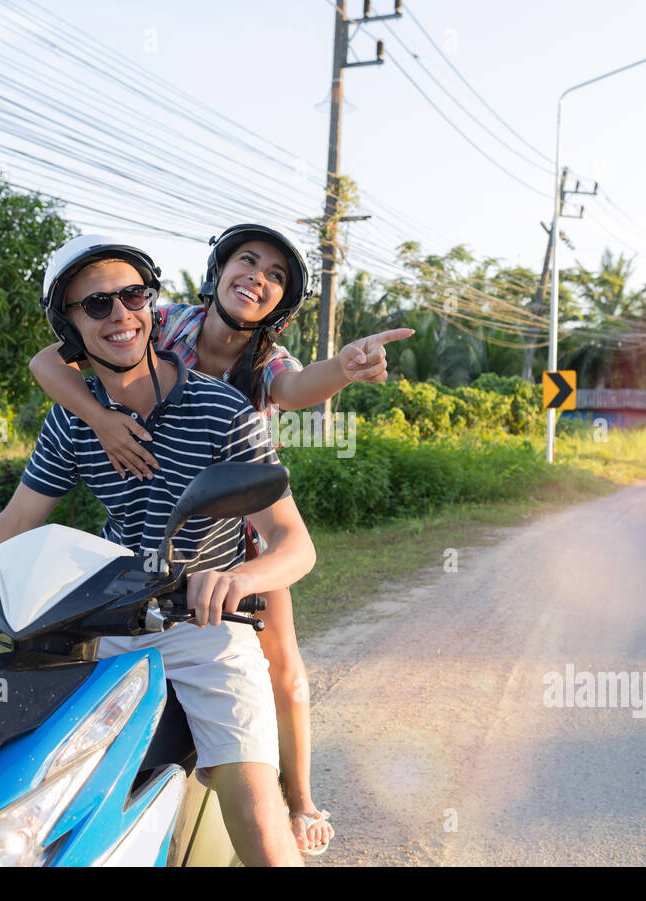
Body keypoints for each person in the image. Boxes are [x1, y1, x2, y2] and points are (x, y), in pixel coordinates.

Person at [0, 236, 315, 866]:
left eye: (133, 296)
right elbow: (18, 520)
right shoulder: (73, 421)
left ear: (151, 306)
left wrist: (236, 578)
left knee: (254, 810)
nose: (120, 315)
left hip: (202, 625)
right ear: (71, 330)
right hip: (106, 618)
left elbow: (294, 544)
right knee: (23, 774)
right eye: (96, 306)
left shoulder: (222, 409)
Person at [28, 223, 412, 855]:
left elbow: (297, 390)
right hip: (142, 554)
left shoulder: (262, 368)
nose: (257, 276)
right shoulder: (159, 318)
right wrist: (101, 420)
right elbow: (50, 359)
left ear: (279, 305)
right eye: (247, 260)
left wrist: (343, 369)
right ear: (218, 270)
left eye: (276, 276)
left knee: (281, 665)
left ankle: (299, 798)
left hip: (238, 530)